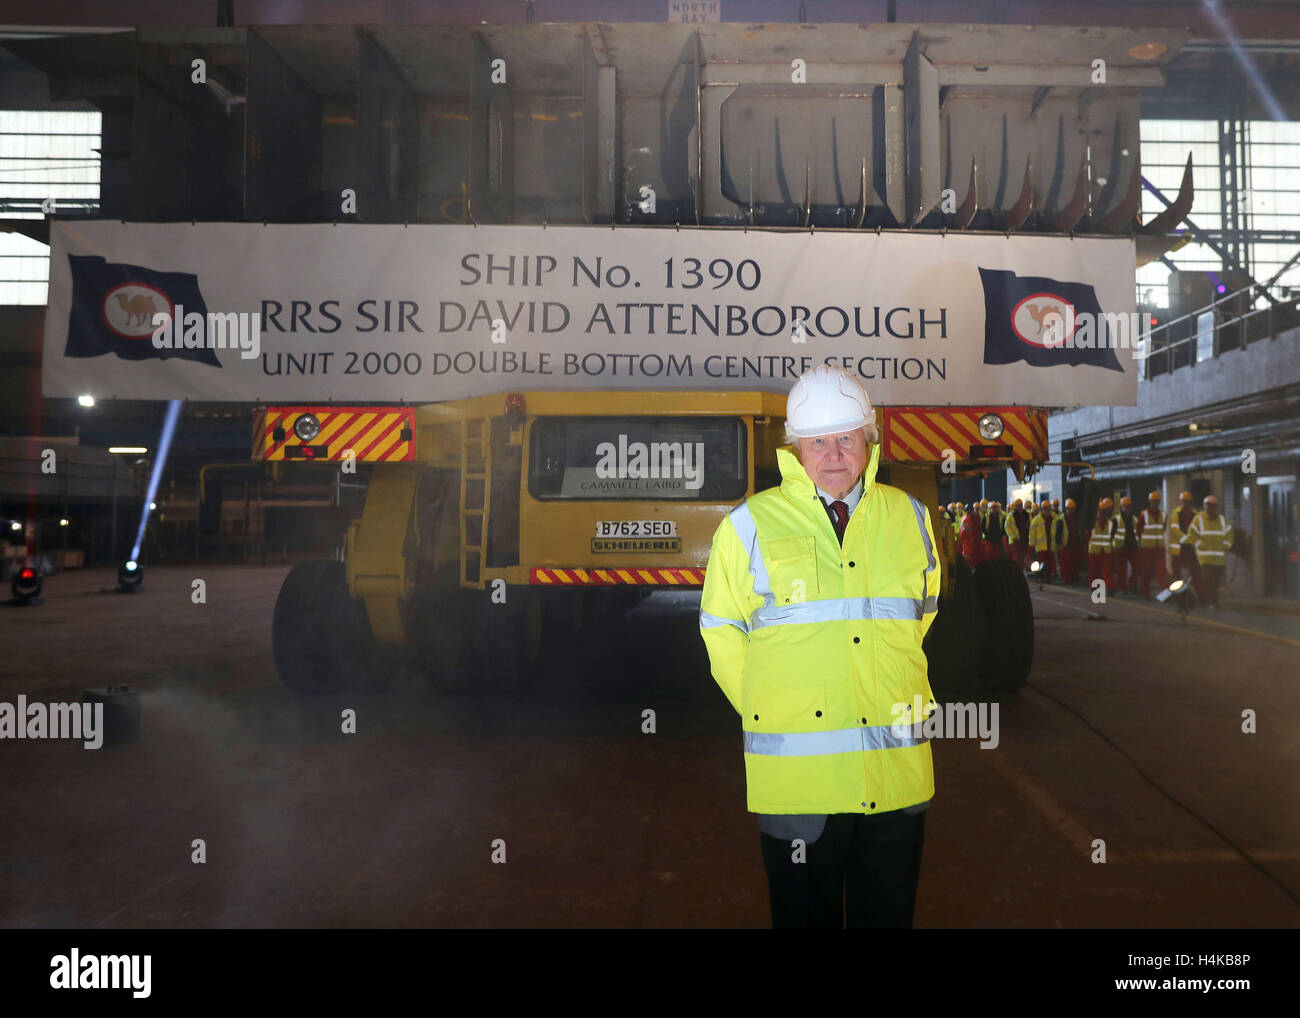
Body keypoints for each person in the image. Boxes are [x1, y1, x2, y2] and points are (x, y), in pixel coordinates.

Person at [699, 364, 939, 930]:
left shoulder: (912, 518)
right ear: (795, 447)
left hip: (895, 776)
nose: (834, 454)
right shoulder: (747, 526)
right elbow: (720, 631)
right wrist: (773, 706)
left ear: (869, 440)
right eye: (818, 441)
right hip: (798, 787)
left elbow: (920, 617)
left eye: (846, 438)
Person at [1187, 495, 1234, 608]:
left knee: (1216, 582)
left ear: (1216, 507)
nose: (1210, 508)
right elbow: (1191, 535)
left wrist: (1226, 545)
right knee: (1208, 581)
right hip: (1205, 558)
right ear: (1204, 506)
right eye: (1208, 505)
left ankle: (1213, 602)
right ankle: (1210, 602)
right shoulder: (1198, 519)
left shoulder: (1222, 520)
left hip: (1219, 559)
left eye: (1213, 506)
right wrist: (1200, 544)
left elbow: (1230, 535)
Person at [1168, 491, 1204, 600]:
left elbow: (1198, 530)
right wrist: (1186, 538)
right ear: (1181, 502)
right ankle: (1179, 596)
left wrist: (1192, 540)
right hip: (1178, 549)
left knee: (1196, 573)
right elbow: (1174, 529)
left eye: (1187, 502)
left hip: (1191, 549)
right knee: (1177, 576)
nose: (1185, 503)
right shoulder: (1176, 514)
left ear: (1190, 502)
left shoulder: (1195, 515)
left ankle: (1201, 597)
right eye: (1184, 501)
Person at [1136, 491, 1167, 598]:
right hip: (1147, 548)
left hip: (1159, 548)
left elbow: (1163, 528)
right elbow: (1138, 530)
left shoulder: (1164, 514)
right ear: (1150, 501)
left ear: (1159, 502)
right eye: (1153, 501)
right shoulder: (1143, 514)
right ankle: (1145, 592)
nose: (1155, 503)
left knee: (1162, 571)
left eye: (1157, 501)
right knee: (1146, 571)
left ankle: (1165, 594)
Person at [1109, 496, 1141, 595]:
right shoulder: (1116, 519)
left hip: (1133, 547)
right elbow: (1111, 534)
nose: (1126, 508)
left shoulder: (1134, 519)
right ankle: (1122, 587)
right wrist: (1112, 546)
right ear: (1122, 507)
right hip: (1120, 548)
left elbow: (1138, 532)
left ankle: (1132, 586)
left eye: (1128, 506)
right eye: (1125, 506)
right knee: (1121, 570)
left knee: (1135, 568)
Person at [1088, 498, 1114, 589]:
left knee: (1107, 571)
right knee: (1094, 571)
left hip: (1105, 552)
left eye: (1103, 512)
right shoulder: (1092, 523)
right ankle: (1094, 586)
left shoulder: (1110, 523)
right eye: (1099, 511)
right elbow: (1087, 536)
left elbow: (1112, 537)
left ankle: (1109, 587)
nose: (1101, 514)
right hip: (1094, 552)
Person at [1060, 498, 1084, 584]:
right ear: (1066, 509)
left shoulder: (1076, 519)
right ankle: (1067, 579)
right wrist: (1060, 544)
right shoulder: (1061, 520)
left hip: (1075, 544)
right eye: (1069, 509)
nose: (1071, 510)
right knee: (1067, 564)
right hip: (1066, 545)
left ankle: (1074, 577)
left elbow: (1078, 531)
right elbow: (1058, 533)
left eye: (1072, 509)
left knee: (1074, 562)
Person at [1006, 499, 1029, 568]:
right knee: (1016, 557)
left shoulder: (1026, 514)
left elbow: (1029, 525)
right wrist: (1013, 536)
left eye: (1020, 505)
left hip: (1024, 538)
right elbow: (1007, 527)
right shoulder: (1011, 516)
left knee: (1023, 556)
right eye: (1017, 505)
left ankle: (1021, 569)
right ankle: (1017, 570)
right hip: (1016, 540)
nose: (1019, 507)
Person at [959, 502, 983, 567]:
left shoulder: (966, 518)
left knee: (969, 558)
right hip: (970, 542)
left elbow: (962, 533)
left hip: (969, 542)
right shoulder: (970, 518)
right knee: (969, 558)